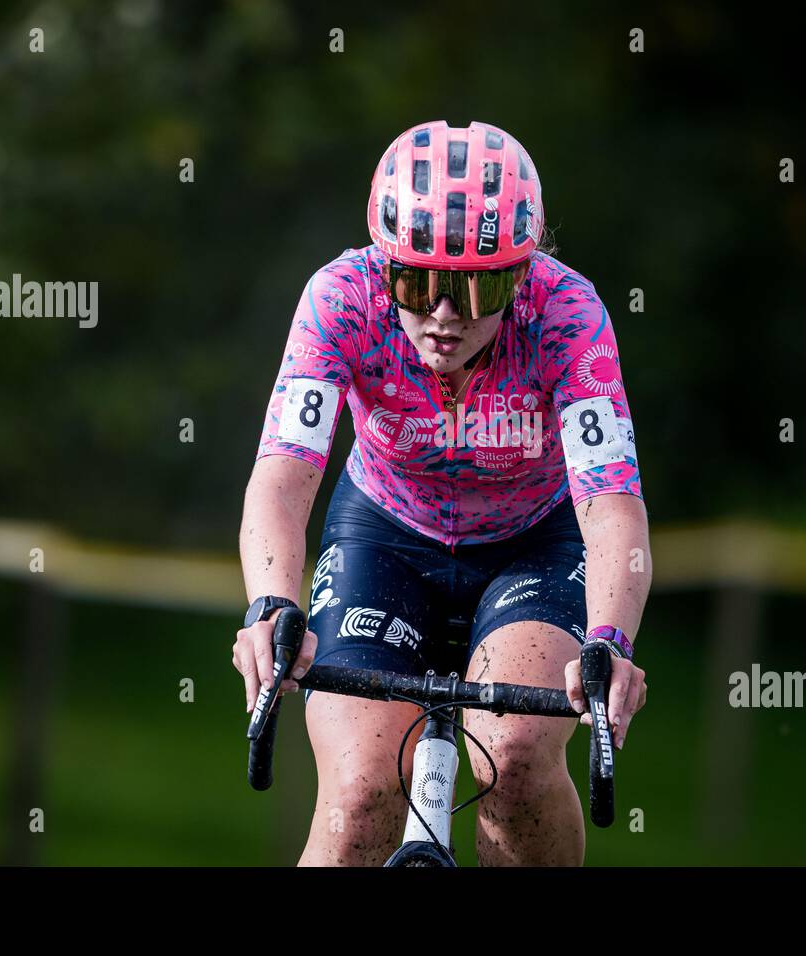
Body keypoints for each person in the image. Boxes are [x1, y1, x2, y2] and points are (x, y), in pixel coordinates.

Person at [233, 120, 650, 866]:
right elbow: (284, 476)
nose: (444, 315)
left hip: (534, 543)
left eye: (477, 286)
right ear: (382, 263)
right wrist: (270, 602)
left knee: (515, 757)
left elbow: (611, 501)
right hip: (385, 533)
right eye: (416, 282)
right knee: (360, 787)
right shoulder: (340, 298)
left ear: (521, 274)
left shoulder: (567, 315)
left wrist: (610, 640)